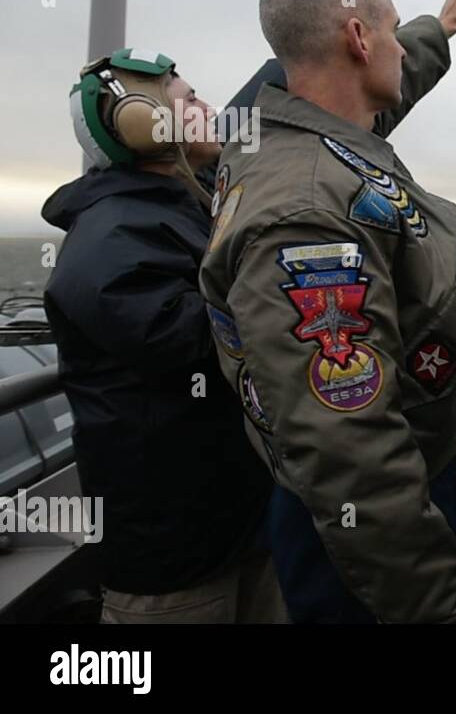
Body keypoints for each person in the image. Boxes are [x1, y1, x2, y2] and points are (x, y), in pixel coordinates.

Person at [199, 0, 456, 624]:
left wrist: (441, 27)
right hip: (361, 530)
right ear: (359, 38)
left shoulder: (287, 133)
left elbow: (377, 95)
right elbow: (349, 450)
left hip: (345, 509)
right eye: (389, 28)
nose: (397, 44)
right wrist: (440, 605)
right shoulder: (305, 214)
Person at [45, 49, 285, 623]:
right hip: (176, 565)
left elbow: (264, 96)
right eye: (190, 100)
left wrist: (431, 31)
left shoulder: (171, 204)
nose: (209, 109)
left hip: (235, 528)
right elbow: (208, 344)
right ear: (141, 125)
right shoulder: (111, 245)